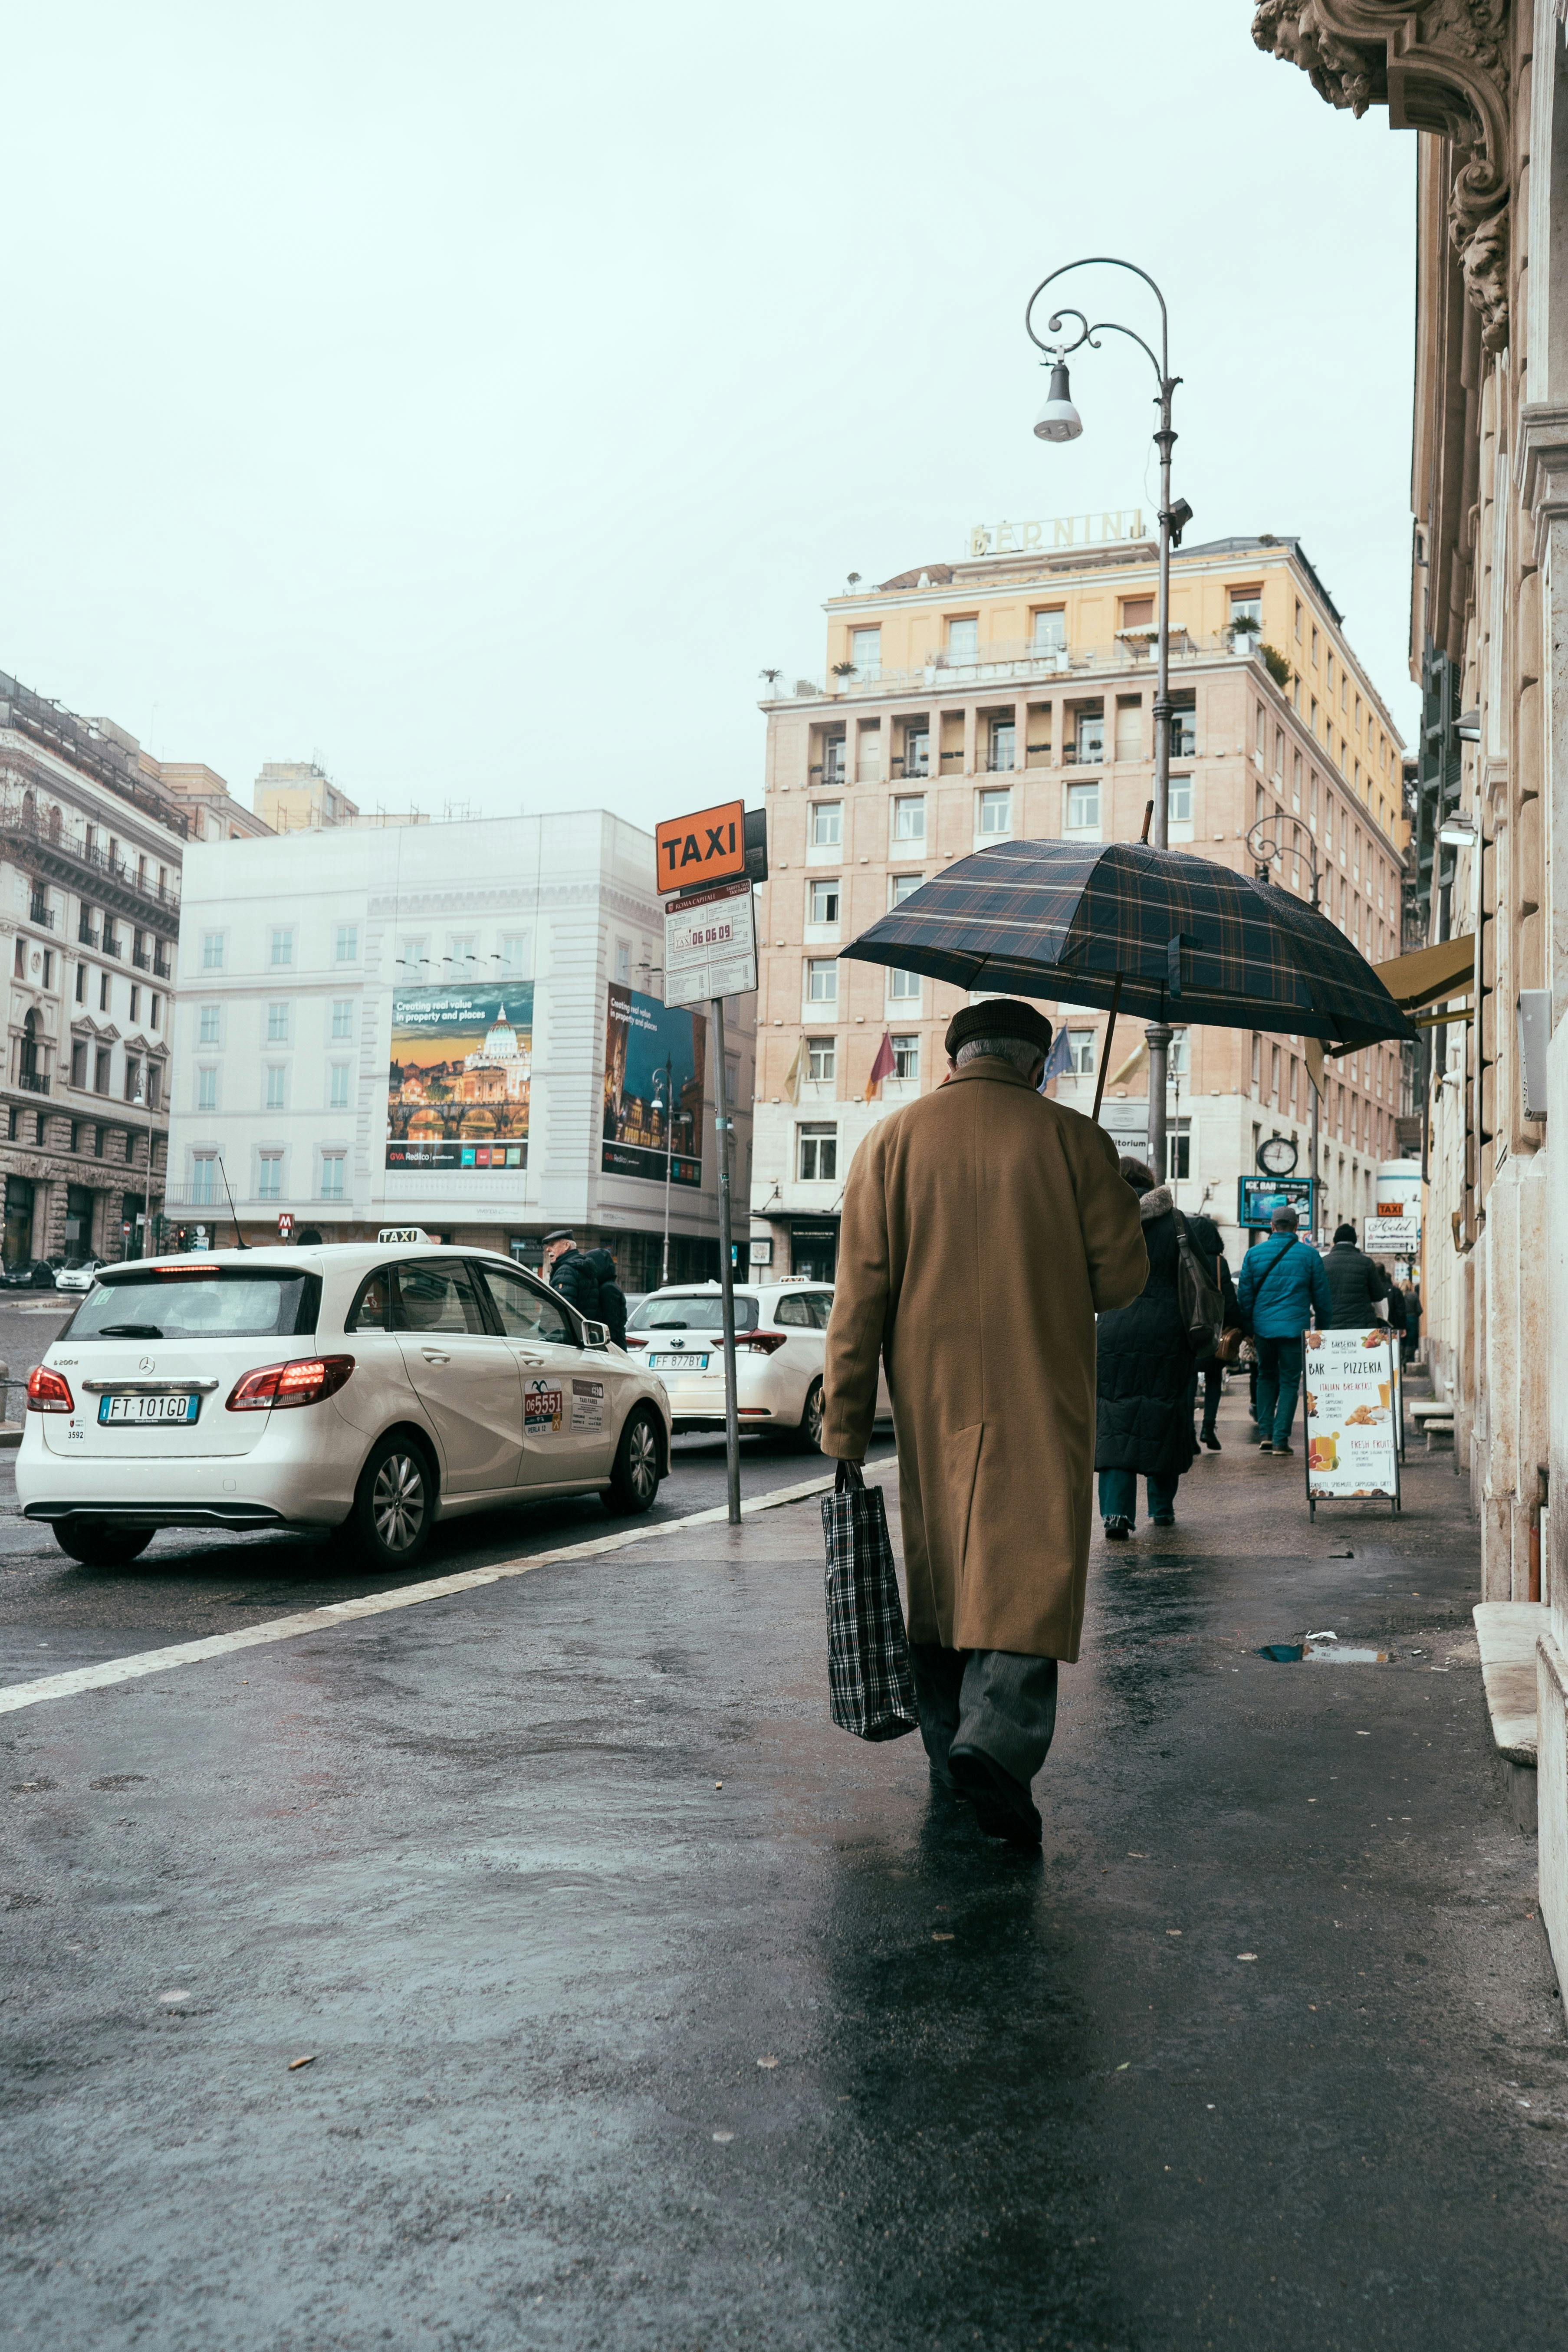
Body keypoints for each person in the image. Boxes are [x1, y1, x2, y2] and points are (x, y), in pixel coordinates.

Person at [822, 999, 1147, 1849]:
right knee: (1028, 1577)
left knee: (941, 1589)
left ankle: (950, 1761)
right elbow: (1120, 1281)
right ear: (1038, 1065)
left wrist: (844, 1429)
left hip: (930, 1403)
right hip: (1041, 1393)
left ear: (953, 1060)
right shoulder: (1075, 1140)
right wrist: (1110, 1201)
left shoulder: (889, 1143)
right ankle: (996, 1742)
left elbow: (857, 1302)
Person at [1095, 1161, 1203, 1537]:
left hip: (1114, 1328)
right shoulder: (1175, 1221)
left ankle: (1115, 1513)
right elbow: (1199, 1273)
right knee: (1165, 1415)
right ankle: (1161, 1507)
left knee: (1114, 1418)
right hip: (1167, 1331)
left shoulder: (1103, 1220)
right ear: (1149, 1182)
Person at [1235, 1204, 1331, 1455]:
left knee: (1266, 1377)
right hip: (1294, 1328)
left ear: (1272, 1226)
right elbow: (1322, 1297)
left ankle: (1265, 1434)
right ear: (1297, 1228)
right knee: (1290, 1382)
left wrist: (1248, 1329)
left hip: (1263, 1330)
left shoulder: (1254, 1254)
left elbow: (1245, 1297)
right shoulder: (1310, 1256)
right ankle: (1280, 1440)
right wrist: (1322, 1329)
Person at [1320, 1220, 1391, 1328]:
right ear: (1355, 1241)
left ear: (1334, 1241)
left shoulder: (1322, 1264)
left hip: (1330, 1326)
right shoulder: (1367, 1263)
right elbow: (1379, 1296)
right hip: (1362, 1325)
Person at [546, 1229, 603, 1320]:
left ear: (567, 1246)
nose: (548, 1249)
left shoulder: (566, 1271)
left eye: (552, 1245)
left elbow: (561, 1311)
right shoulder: (582, 1266)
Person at [584, 1247, 628, 1347]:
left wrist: (608, 1345)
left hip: (612, 1345)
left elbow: (611, 1322)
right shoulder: (606, 1286)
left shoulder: (608, 1288)